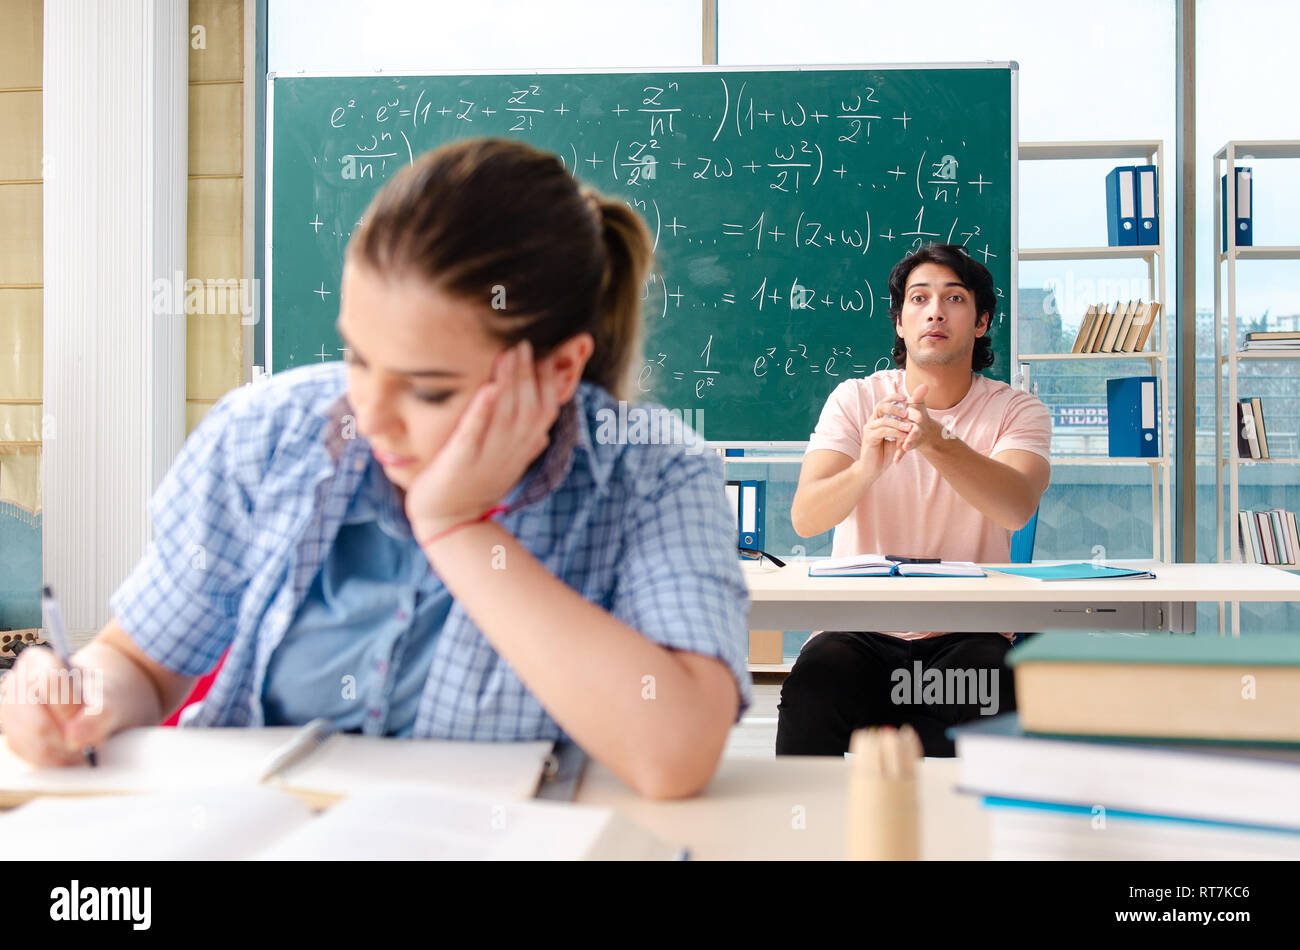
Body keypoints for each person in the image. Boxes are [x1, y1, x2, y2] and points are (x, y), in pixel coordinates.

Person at [0, 138, 750, 800]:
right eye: (359, 357)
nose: (374, 414)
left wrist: (454, 528)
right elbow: (145, 662)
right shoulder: (264, 434)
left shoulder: (655, 475)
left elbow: (672, 753)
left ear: (558, 371)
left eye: (429, 388)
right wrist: (77, 692)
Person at [777, 244, 1051, 757]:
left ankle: (976, 834)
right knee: (815, 685)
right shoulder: (856, 399)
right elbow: (806, 518)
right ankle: (808, 829)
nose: (935, 311)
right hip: (859, 630)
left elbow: (1016, 506)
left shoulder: (1017, 410)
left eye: (954, 299)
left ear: (981, 321)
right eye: (919, 298)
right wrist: (866, 468)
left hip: (967, 632)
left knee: (992, 689)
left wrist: (935, 440)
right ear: (900, 323)